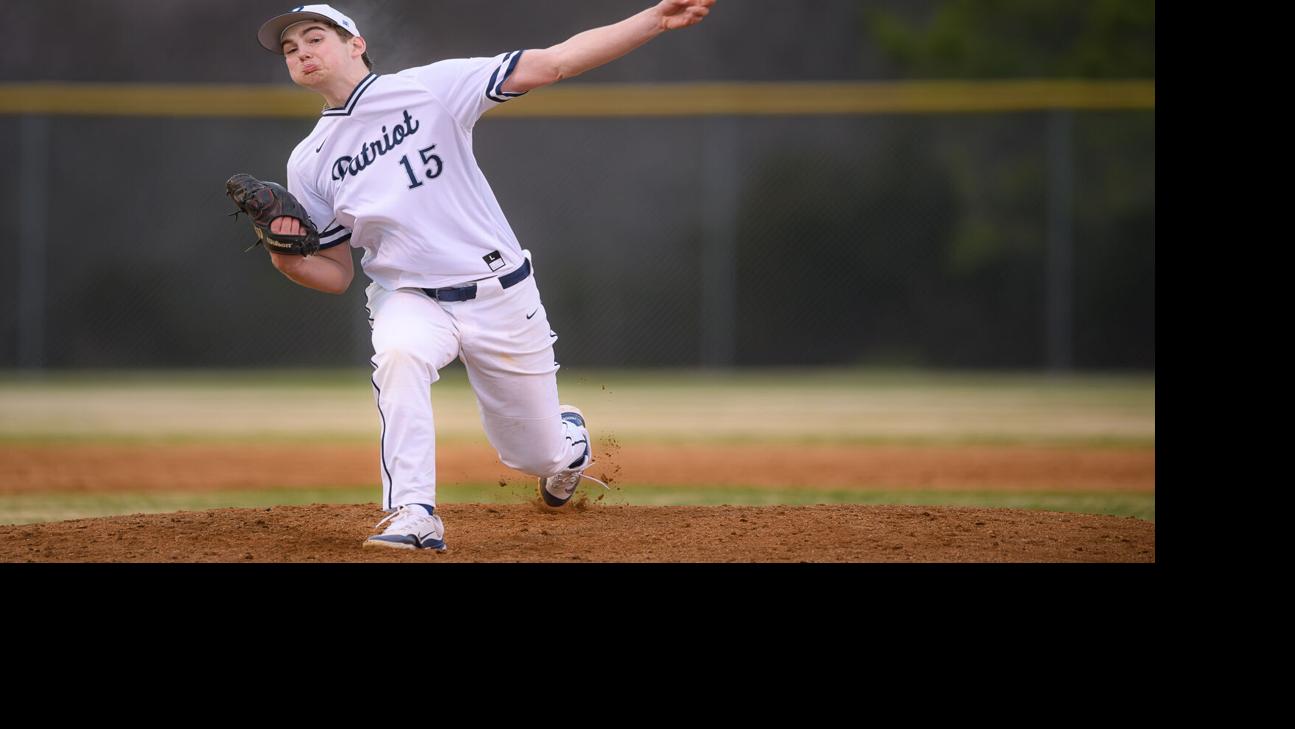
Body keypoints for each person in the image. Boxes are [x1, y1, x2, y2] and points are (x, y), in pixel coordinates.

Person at [252, 2, 716, 550]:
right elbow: (335, 274)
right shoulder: (309, 161)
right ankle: (414, 515)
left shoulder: (431, 89)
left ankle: (568, 445)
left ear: (355, 44)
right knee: (399, 355)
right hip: (409, 297)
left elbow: (555, 63)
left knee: (532, 455)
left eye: (314, 38)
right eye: (289, 49)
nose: (301, 52)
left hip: (498, 293)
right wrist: (285, 257)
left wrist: (654, 21)